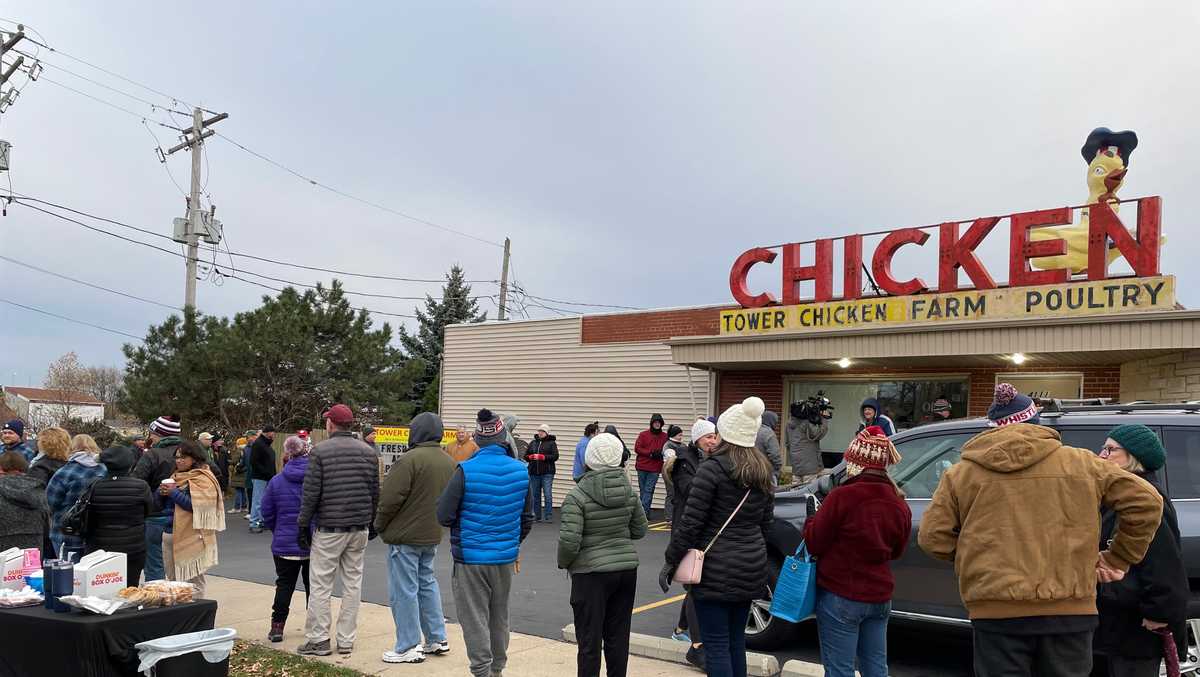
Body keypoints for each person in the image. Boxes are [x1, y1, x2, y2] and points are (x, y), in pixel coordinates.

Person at [919, 384, 1166, 677]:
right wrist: (1118, 558)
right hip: (1070, 610)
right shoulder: (1083, 463)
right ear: (1036, 422)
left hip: (995, 610)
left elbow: (932, 537)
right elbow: (1147, 500)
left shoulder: (960, 473)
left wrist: (977, 557)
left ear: (992, 429)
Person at [662, 397, 775, 677]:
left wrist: (670, 561)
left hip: (714, 568)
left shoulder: (712, 469)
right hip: (751, 565)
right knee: (736, 642)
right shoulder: (763, 471)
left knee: (715, 644)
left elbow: (691, 524)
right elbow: (766, 524)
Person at [803, 427, 911, 677]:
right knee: (876, 667)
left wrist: (812, 519)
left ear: (855, 461)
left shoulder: (842, 497)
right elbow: (897, 551)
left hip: (841, 593)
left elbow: (814, 543)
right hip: (880, 597)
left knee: (839, 669)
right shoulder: (899, 503)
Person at [437, 408, 535, 677]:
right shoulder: (521, 472)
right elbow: (527, 518)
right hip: (503, 558)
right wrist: (512, 542)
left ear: (477, 439)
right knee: (499, 617)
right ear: (504, 437)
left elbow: (444, 515)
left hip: (470, 558)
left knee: (474, 619)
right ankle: (497, 669)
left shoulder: (465, 471)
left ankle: (482, 671)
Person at [1094, 425, 1188, 677]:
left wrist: (1158, 613)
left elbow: (1165, 564)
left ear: (1134, 457)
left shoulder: (1148, 499)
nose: (1101, 454)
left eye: (1110, 449)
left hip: (1136, 628)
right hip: (1113, 623)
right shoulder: (1117, 495)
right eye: (1103, 447)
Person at [558, 432, 648, 677]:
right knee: (618, 637)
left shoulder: (577, 496)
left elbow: (569, 541)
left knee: (589, 641)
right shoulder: (629, 491)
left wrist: (564, 562)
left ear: (588, 459)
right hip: (625, 569)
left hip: (590, 573)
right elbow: (640, 529)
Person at [297, 404, 380, 658]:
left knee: (321, 584)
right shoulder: (367, 452)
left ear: (331, 424)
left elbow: (311, 493)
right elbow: (375, 491)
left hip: (331, 527)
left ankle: (319, 638)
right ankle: (346, 640)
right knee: (353, 583)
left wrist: (303, 524)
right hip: (359, 526)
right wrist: (372, 520)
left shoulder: (320, 451)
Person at [375, 412, 457, 664]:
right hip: (431, 533)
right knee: (427, 584)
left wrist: (379, 525)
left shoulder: (410, 459)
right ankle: (436, 637)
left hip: (405, 536)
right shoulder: (448, 461)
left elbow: (390, 499)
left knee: (404, 591)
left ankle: (408, 645)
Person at [668, 418, 721, 665]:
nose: (712, 441)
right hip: (687, 528)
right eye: (708, 437)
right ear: (697, 438)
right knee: (693, 586)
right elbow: (689, 490)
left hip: (706, 529)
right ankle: (697, 645)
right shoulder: (684, 460)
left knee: (694, 580)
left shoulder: (712, 459)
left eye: (715, 437)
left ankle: (680, 629)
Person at [261, 435, 313, 643]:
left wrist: (278, 529)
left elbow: (267, 511)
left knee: (284, 585)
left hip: (284, 542)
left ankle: (277, 627)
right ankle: (314, 627)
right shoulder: (315, 480)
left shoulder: (276, 481)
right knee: (314, 587)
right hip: (311, 541)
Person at [156, 440, 225, 598]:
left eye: (183, 457)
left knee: (194, 580)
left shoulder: (203, 478)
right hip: (169, 532)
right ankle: (179, 614)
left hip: (192, 535)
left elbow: (195, 506)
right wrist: (160, 493)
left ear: (194, 458)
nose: (179, 460)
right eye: (177, 457)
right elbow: (158, 505)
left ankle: (196, 615)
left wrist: (173, 493)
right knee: (173, 580)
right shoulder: (174, 477)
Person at [85, 446, 156, 586]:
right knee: (130, 588)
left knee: (102, 587)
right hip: (133, 546)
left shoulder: (94, 486)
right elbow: (148, 511)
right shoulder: (141, 486)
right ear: (130, 464)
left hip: (100, 546)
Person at [131, 415, 184, 581]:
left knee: (154, 562)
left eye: (152, 433)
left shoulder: (152, 455)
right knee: (182, 564)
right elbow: (214, 472)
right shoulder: (191, 452)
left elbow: (136, 483)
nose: (150, 437)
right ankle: (181, 598)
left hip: (155, 514)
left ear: (160, 434)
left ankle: (158, 600)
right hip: (184, 515)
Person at [45, 432, 107, 558]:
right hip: (97, 532)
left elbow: (50, 502)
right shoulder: (105, 470)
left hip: (66, 532)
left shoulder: (65, 472)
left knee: (66, 574)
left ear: (72, 448)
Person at [0, 452, 50, 553]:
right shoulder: (36, 488)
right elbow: (46, 519)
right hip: (34, 542)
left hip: (3, 542)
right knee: (33, 569)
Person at [634, 414, 668, 519]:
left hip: (655, 468)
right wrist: (650, 453)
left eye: (659, 423)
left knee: (648, 490)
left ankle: (642, 514)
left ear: (661, 424)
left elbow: (667, 449)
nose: (657, 424)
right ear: (652, 423)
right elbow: (637, 448)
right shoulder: (643, 435)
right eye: (655, 422)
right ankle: (644, 512)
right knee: (643, 490)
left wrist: (661, 453)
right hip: (642, 466)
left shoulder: (665, 436)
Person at [525, 424, 559, 523]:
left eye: (542, 431)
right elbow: (525, 456)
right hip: (534, 472)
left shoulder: (552, 443)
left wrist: (543, 457)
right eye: (539, 431)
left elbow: (555, 456)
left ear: (547, 433)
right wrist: (530, 457)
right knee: (535, 495)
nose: (540, 433)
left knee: (547, 494)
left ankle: (548, 516)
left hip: (547, 473)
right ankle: (537, 516)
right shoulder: (533, 443)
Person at [787, 403, 828, 485]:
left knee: (796, 492)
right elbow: (818, 433)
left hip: (796, 466)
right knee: (808, 491)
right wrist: (824, 419)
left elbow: (787, 443)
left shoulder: (789, 424)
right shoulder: (806, 423)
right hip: (810, 467)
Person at [248, 426, 278, 533]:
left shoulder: (265, 444)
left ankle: (261, 520)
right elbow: (254, 462)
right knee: (258, 500)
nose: (274, 435)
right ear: (268, 433)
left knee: (264, 501)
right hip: (260, 477)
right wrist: (266, 472)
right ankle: (254, 522)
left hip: (267, 477)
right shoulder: (259, 444)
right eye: (273, 433)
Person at [661, 425, 686, 526]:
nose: (681, 437)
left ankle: (679, 515)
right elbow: (670, 457)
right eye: (679, 435)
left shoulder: (683, 445)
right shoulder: (668, 445)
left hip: (681, 472)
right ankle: (669, 517)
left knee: (681, 494)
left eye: (681, 435)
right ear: (674, 435)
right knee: (671, 494)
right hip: (669, 472)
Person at [755, 410, 783, 481]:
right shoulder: (769, 434)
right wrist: (777, 470)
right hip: (766, 473)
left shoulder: (754, 430)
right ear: (771, 421)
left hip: (752, 470)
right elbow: (775, 455)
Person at [228, 436, 248, 514]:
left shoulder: (238, 451)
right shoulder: (246, 450)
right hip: (244, 472)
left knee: (238, 490)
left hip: (238, 473)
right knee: (242, 490)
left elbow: (234, 461)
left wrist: (229, 461)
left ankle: (236, 507)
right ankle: (244, 506)